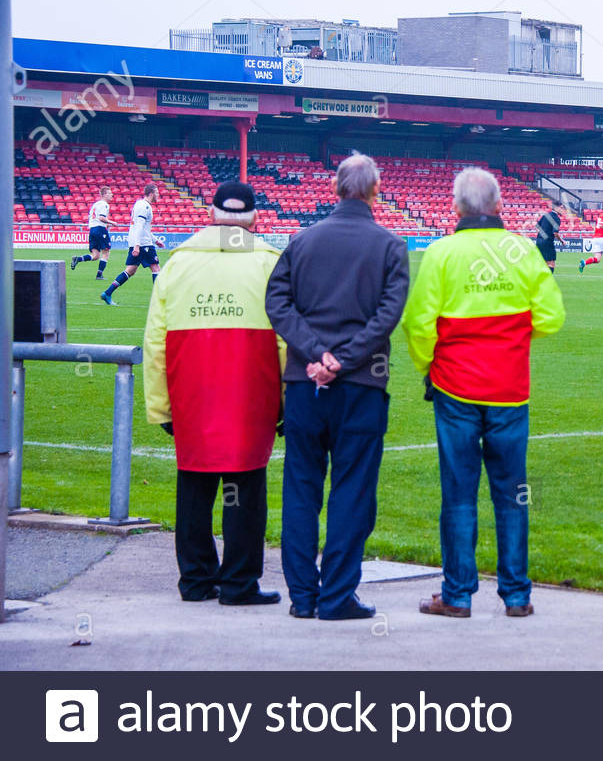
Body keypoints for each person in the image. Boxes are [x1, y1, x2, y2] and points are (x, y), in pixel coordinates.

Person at [403, 167, 565, 619]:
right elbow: (551, 318)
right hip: (509, 390)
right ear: (499, 207)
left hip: (455, 389)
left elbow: (418, 324)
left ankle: (456, 595)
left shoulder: (440, 253)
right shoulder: (522, 250)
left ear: (456, 208)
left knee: (458, 493)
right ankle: (517, 595)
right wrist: (509, 341)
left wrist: (429, 367)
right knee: (512, 492)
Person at [264, 153, 410, 620]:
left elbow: (277, 303)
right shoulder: (390, 246)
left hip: (305, 385)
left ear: (335, 189)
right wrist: (342, 360)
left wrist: (314, 353)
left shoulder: (301, 240)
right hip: (362, 386)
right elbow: (388, 315)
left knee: (302, 488)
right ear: (375, 191)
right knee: (352, 491)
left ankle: (303, 597)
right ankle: (337, 596)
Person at [143, 181, 284, 606]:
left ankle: (196, 580)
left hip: (193, 396)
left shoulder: (177, 264)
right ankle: (239, 583)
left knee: (194, 487)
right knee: (245, 490)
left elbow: (155, 341)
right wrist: (284, 404)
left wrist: (160, 405)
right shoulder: (269, 263)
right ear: (255, 218)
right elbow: (285, 342)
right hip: (250, 397)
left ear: (211, 215)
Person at [101, 184, 161, 306]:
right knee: (156, 268)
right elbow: (139, 226)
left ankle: (107, 293)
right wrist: (138, 246)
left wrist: (155, 240)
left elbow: (143, 227)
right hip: (143, 244)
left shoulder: (140, 204)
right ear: (151, 193)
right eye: (157, 192)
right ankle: (158, 300)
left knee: (131, 270)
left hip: (137, 242)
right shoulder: (145, 207)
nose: (158, 195)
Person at [71, 186, 118, 278]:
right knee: (106, 252)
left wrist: (106, 224)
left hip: (92, 230)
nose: (112, 194)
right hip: (100, 230)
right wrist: (112, 222)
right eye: (109, 193)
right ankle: (99, 275)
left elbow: (95, 218)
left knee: (95, 255)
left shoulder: (95, 205)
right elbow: (101, 218)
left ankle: (78, 259)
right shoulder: (104, 205)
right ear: (104, 195)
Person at [579, 199, 603, 283]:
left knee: (597, 259)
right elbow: (601, 225)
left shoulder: (600, 215)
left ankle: (584, 263)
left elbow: (599, 226)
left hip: (596, 238)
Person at [534, 200, 565, 273]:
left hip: (539, 241)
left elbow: (537, 227)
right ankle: (546, 282)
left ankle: (539, 280)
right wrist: (562, 241)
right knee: (551, 263)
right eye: (561, 208)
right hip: (548, 243)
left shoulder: (546, 215)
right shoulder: (556, 218)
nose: (563, 209)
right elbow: (555, 233)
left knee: (542, 263)